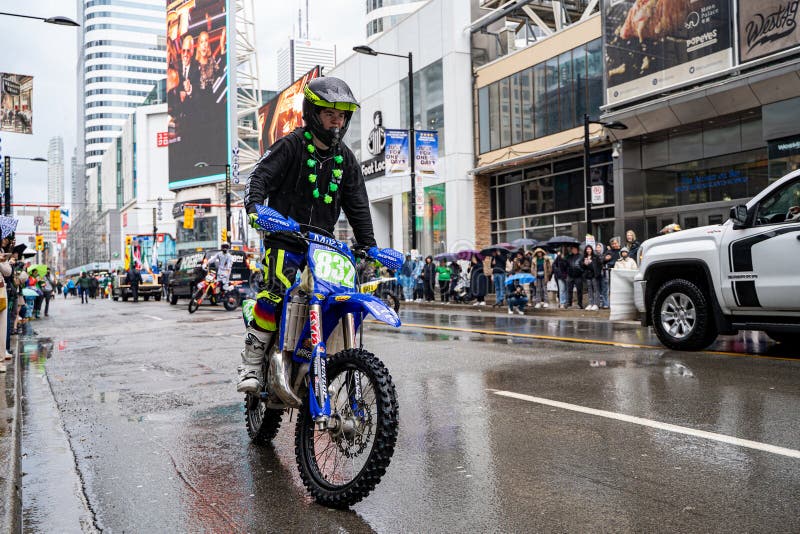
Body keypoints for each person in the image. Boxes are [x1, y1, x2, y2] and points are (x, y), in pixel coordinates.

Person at [238, 76, 375, 395]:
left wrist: (369, 246)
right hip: (284, 240)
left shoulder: (346, 160)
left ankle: (324, 362)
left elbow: (358, 206)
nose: (337, 120)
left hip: (325, 248)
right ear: (313, 112)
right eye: (330, 113)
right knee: (276, 290)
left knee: (342, 299)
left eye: (342, 114)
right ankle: (252, 361)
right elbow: (257, 180)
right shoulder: (291, 145)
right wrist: (258, 209)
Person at [581, 245, 602, 311]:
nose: (588, 250)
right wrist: (584, 264)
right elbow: (582, 267)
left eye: (589, 249)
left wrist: (590, 263)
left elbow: (598, 266)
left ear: (592, 250)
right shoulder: (584, 257)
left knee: (596, 290)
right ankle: (590, 303)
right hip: (588, 276)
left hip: (594, 275)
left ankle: (596, 304)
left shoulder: (595, 257)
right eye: (587, 249)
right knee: (589, 290)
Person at [566, 245, 583, 309]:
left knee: (579, 290)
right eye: (572, 249)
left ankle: (580, 304)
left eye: (575, 249)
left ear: (577, 249)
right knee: (569, 290)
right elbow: (566, 265)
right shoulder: (569, 256)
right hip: (570, 276)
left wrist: (581, 272)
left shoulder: (581, 256)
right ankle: (569, 303)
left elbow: (583, 265)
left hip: (578, 276)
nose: (573, 250)